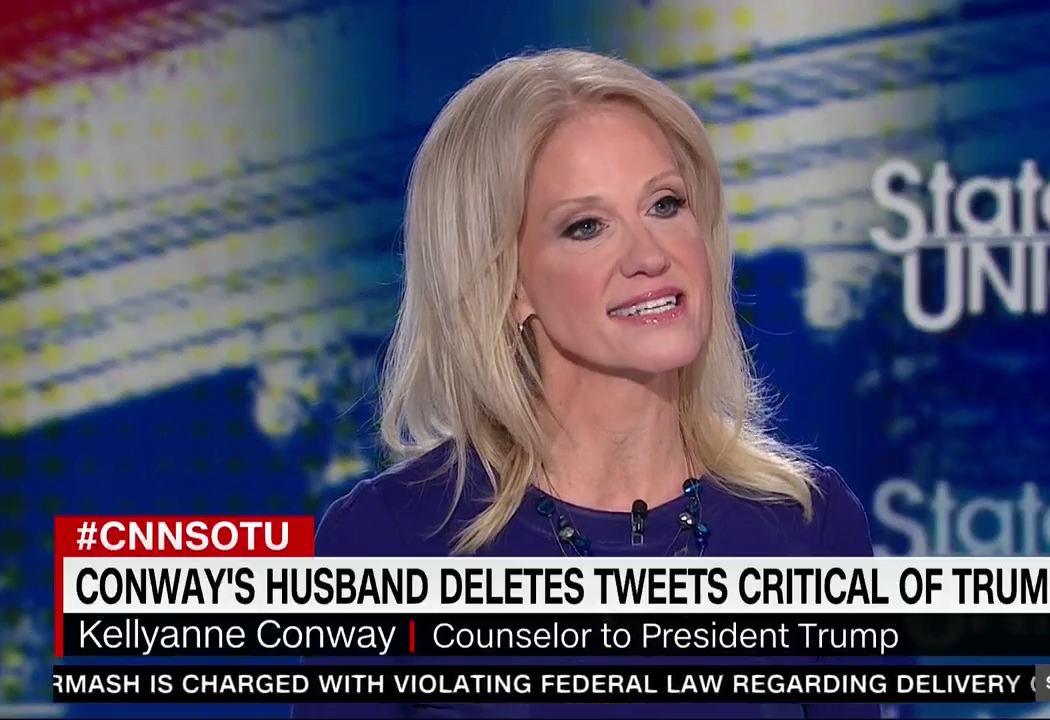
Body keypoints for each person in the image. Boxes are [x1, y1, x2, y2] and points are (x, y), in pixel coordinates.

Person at [293, 48, 880, 719]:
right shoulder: (392, 542)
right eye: (586, 226)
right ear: (508, 284)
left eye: (665, 204)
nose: (651, 256)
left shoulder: (809, 526)